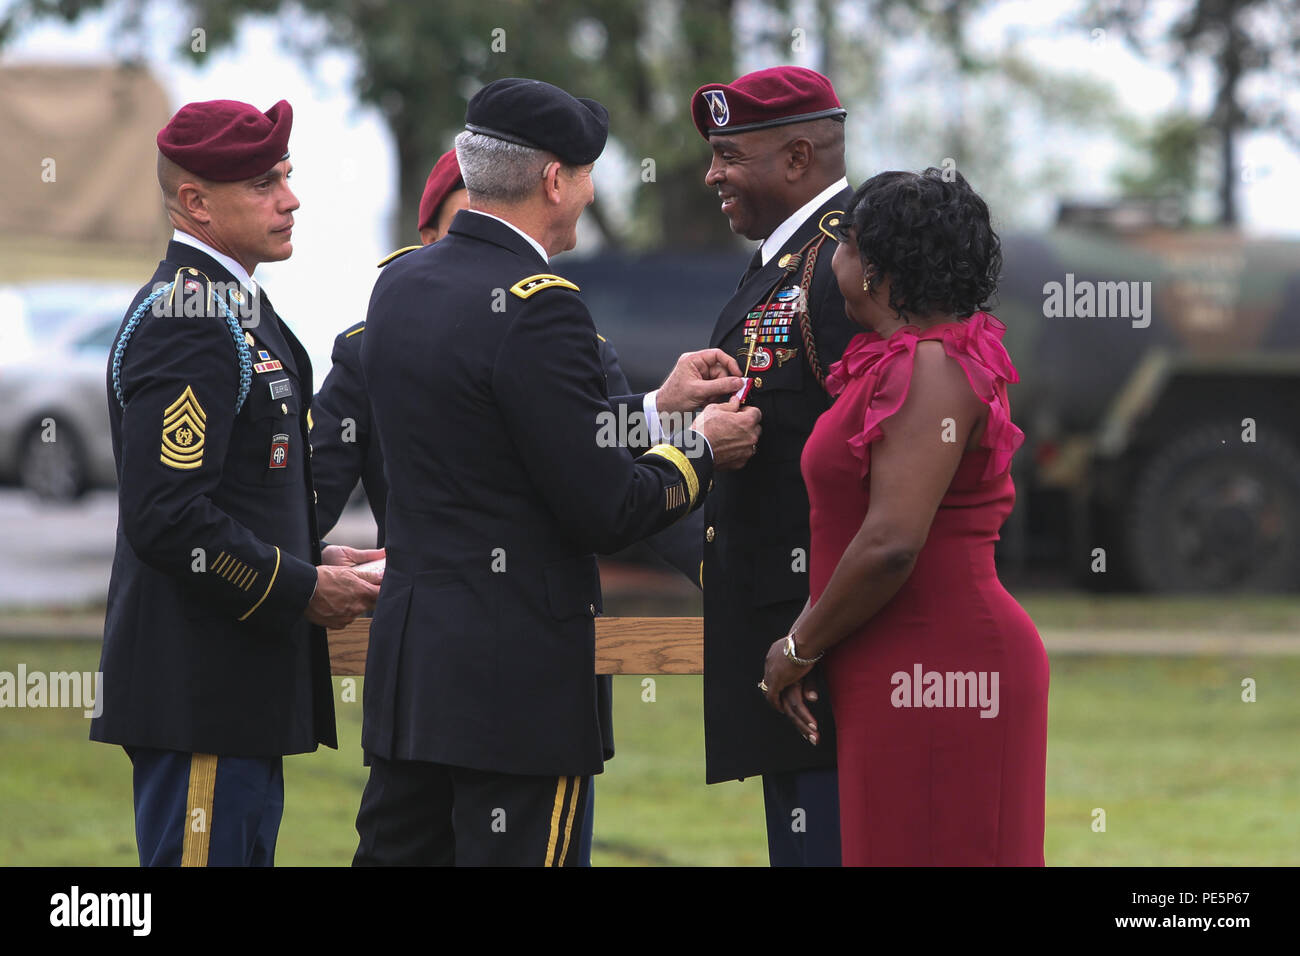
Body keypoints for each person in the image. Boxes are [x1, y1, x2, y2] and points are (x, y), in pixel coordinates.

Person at [351, 77, 760, 866]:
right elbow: (604, 508)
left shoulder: (399, 284)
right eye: (584, 175)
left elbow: (509, 437)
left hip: (414, 678)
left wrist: (654, 409)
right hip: (518, 691)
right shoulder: (542, 304)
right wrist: (703, 447)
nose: (588, 192)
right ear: (553, 181)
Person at [91, 98, 383, 867]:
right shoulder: (189, 315)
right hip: (202, 697)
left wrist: (315, 557)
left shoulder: (234, 304)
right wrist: (298, 587)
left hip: (237, 693)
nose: (290, 199)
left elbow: (244, 489)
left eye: (286, 176)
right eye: (262, 183)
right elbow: (168, 517)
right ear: (196, 203)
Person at [761, 168, 1050, 866]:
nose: (835, 262)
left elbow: (891, 542)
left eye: (846, 245)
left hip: (939, 662)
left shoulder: (928, 368)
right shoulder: (903, 360)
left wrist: (797, 647)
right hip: (898, 659)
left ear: (878, 268)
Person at [682, 66, 860, 866]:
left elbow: (876, 462)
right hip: (781, 646)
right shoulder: (782, 264)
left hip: (824, 651)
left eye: (728, 155)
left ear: (796, 160)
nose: (712, 174)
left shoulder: (849, 265)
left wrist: (813, 634)